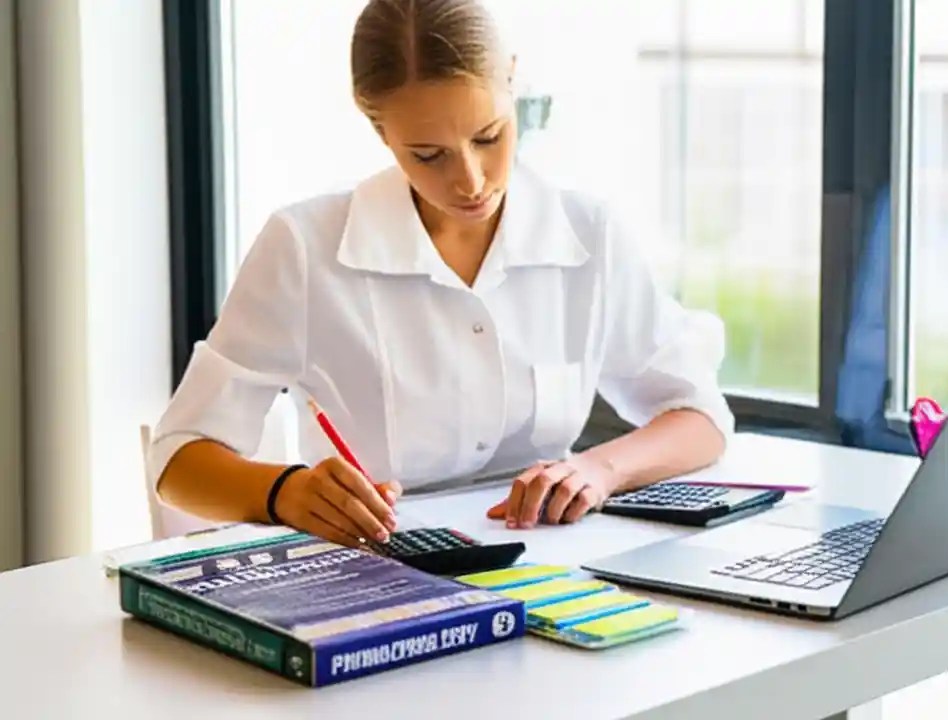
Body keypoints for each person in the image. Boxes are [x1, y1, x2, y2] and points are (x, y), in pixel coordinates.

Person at [147, 0, 733, 549]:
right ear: (381, 132)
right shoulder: (306, 246)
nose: (471, 181)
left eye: (489, 137)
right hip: (378, 579)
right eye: (428, 155)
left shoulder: (588, 232)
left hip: (557, 570)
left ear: (511, 79)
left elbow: (701, 415)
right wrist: (284, 493)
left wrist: (599, 468)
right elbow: (177, 462)